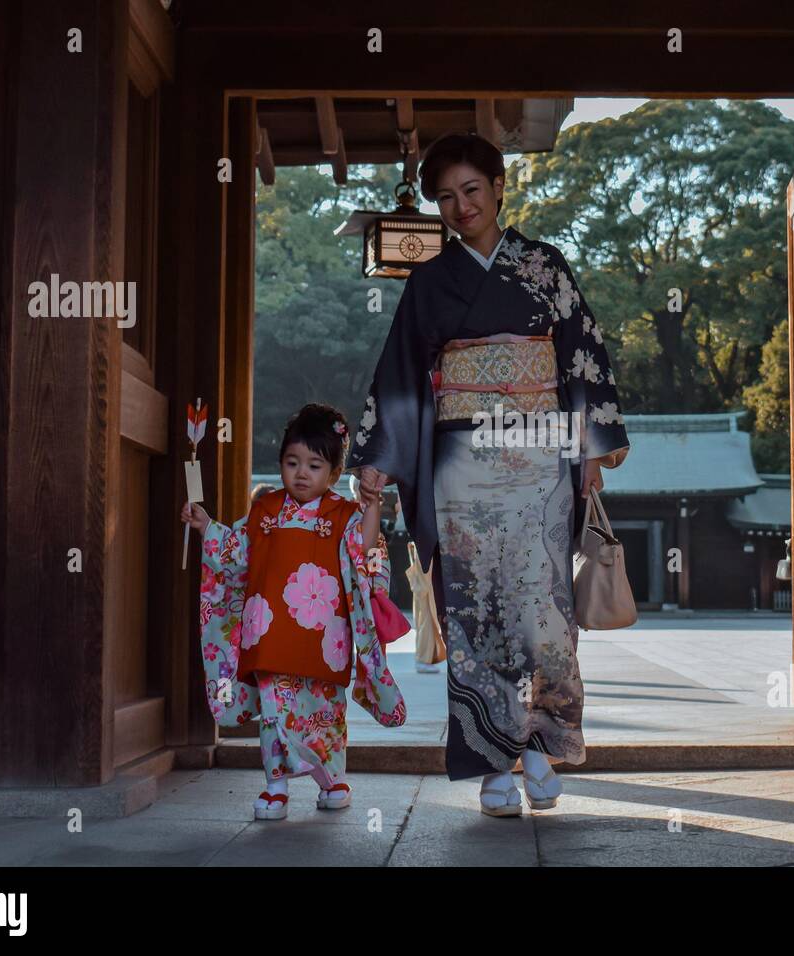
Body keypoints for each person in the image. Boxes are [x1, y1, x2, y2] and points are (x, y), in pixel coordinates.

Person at [346, 132, 630, 817]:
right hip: (460, 466)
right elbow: (403, 376)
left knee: (545, 610)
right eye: (445, 196)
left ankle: (542, 745)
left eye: (472, 190)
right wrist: (378, 463)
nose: (460, 206)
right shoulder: (429, 283)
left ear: (500, 187)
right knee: (476, 612)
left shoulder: (545, 266)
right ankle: (490, 760)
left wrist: (591, 448)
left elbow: (581, 356)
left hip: (540, 458)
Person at [182, 403, 406, 820]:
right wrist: (206, 526)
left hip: (325, 635)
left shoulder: (343, 515)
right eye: (292, 462)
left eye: (314, 465)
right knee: (274, 710)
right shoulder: (265, 510)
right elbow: (236, 554)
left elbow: (364, 548)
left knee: (325, 711)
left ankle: (333, 779)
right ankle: (276, 786)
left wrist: (372, 506)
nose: (301, 473)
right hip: (269, 629)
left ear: (335, 474)